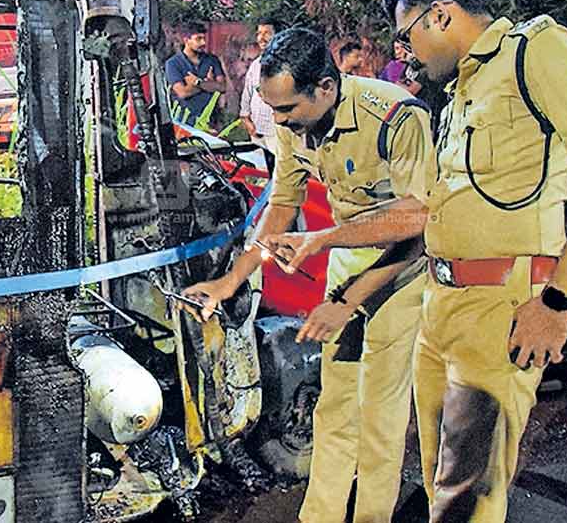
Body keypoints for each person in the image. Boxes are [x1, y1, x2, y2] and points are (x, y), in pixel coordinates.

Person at [270, 0, 567, 523]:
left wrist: (559, 299)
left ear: (440, 15)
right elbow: (429, 210)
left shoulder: (534, 51)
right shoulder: (461, 91)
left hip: (499, 308)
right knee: (443, 485)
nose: (404, 53)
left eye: (406, 36)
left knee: (468, 496)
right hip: (442, 309)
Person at [183, 27, 435, 523]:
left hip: (402, 271)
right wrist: (231, 280)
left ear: (325, 86)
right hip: (345, 258)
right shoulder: (293, 122)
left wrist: (325, 253)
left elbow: (417, 219)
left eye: (287, 110)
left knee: (381, 415)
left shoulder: (396, 116)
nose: (279, 122)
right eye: (273, 110)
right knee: (335, 408)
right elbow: (281, 204)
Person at [165, 21, 230, 130]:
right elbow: (182, 92)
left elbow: (222, 87)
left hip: (212, 120)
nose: (203, 42)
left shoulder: (212, 60)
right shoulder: (173, 63)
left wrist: (197, 82)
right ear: (186, 40)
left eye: (204, 38)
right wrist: (209, 84)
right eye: (198, 39)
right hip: (184, 121)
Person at [241, 20, 280, 154]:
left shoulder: (284, 65)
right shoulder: (256, 64)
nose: (261, 38)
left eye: (267, 33)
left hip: (276, 130)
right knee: (259, 171)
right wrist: (245, 118)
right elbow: (247, 92)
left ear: (278, 36)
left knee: (279, 171)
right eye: (259, 34)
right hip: (256, 129)